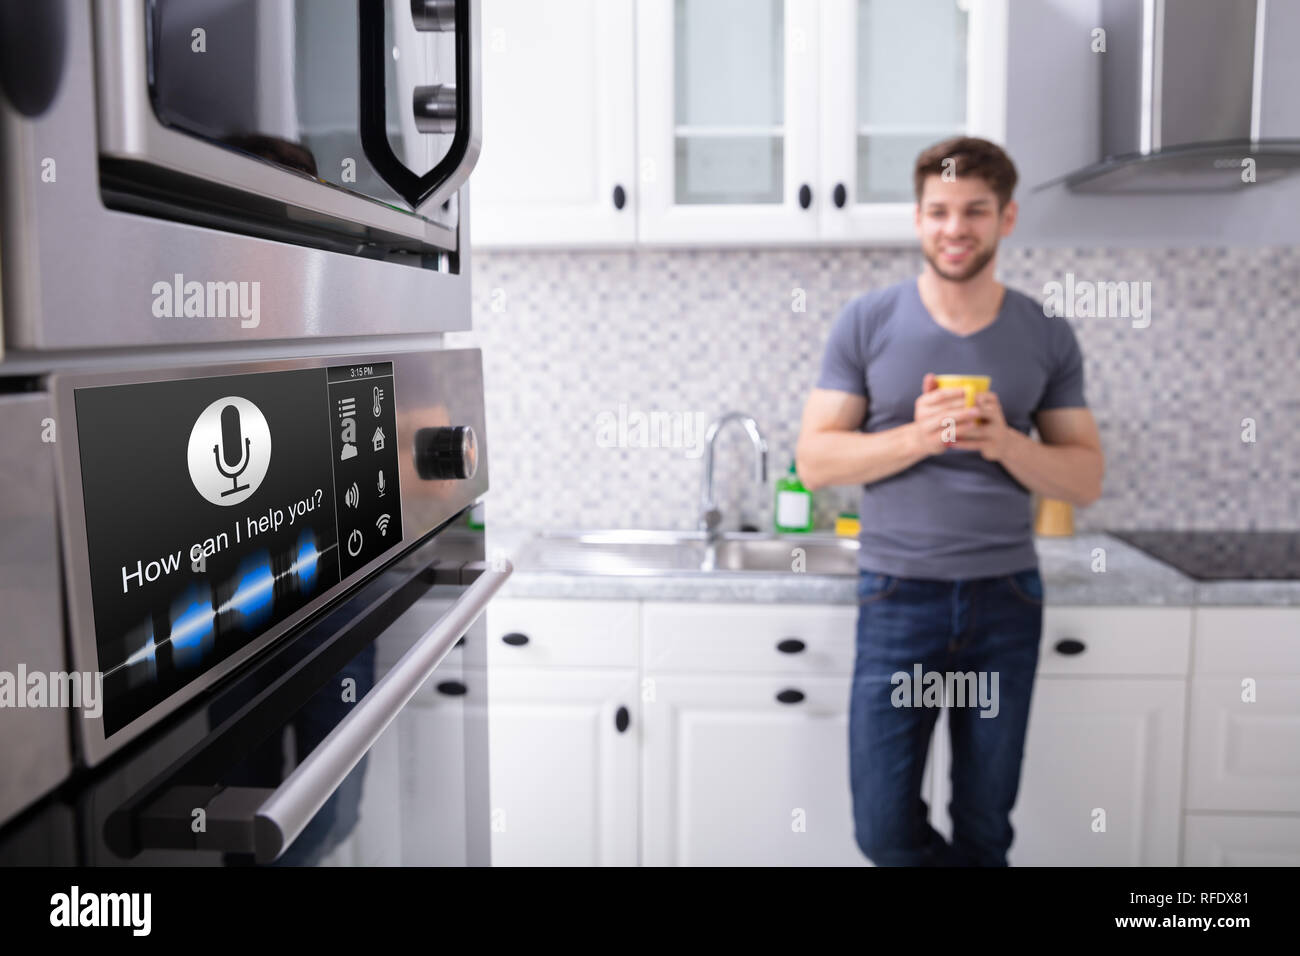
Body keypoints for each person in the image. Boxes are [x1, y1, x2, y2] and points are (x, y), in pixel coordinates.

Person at [795, 136, 1104, 866]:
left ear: (1007, 218)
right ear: (917, 217)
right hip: (899, 598)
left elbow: (1085, 478)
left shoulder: (1046, 333)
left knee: (985, 827)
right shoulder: (866, 322)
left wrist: (1005, 442)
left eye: (974, 211)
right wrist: (918, 437)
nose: (954, 227)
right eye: (938, 210)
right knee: (883, 830)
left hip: (1006, 601)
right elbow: (814, 461)